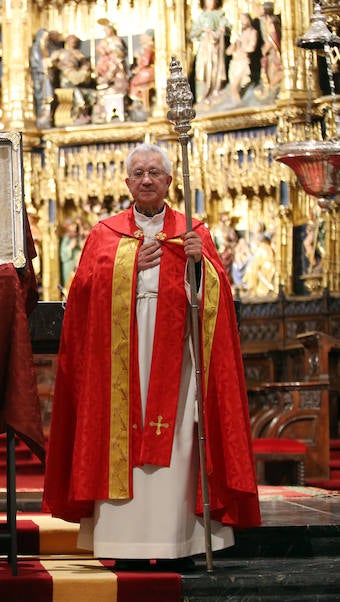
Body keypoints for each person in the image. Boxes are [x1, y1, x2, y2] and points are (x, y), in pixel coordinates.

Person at [42, 143, 261, 569]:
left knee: (179, 441)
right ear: (127, 183)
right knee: (121, 439)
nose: (146, 179)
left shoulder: (193, 230)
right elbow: (82, 295)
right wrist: (124, 267)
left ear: (169, 181)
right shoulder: (105, 233)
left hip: (176, 364)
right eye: (138, 173)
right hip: (119, 364)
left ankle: (179, 542)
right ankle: (124, 545)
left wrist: (201, 268)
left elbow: (217, 302)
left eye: (155, 173)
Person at [190, 0, 230, 106]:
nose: (211, 2)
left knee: (215, 69)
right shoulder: (201, 17)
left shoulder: (220, 15)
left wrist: (222, 29)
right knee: (202, 70)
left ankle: (215, 91)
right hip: (204, 48)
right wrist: (203, 29)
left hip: (216, 47)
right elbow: (192, 34)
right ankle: (201, 97)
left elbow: (227, 29)